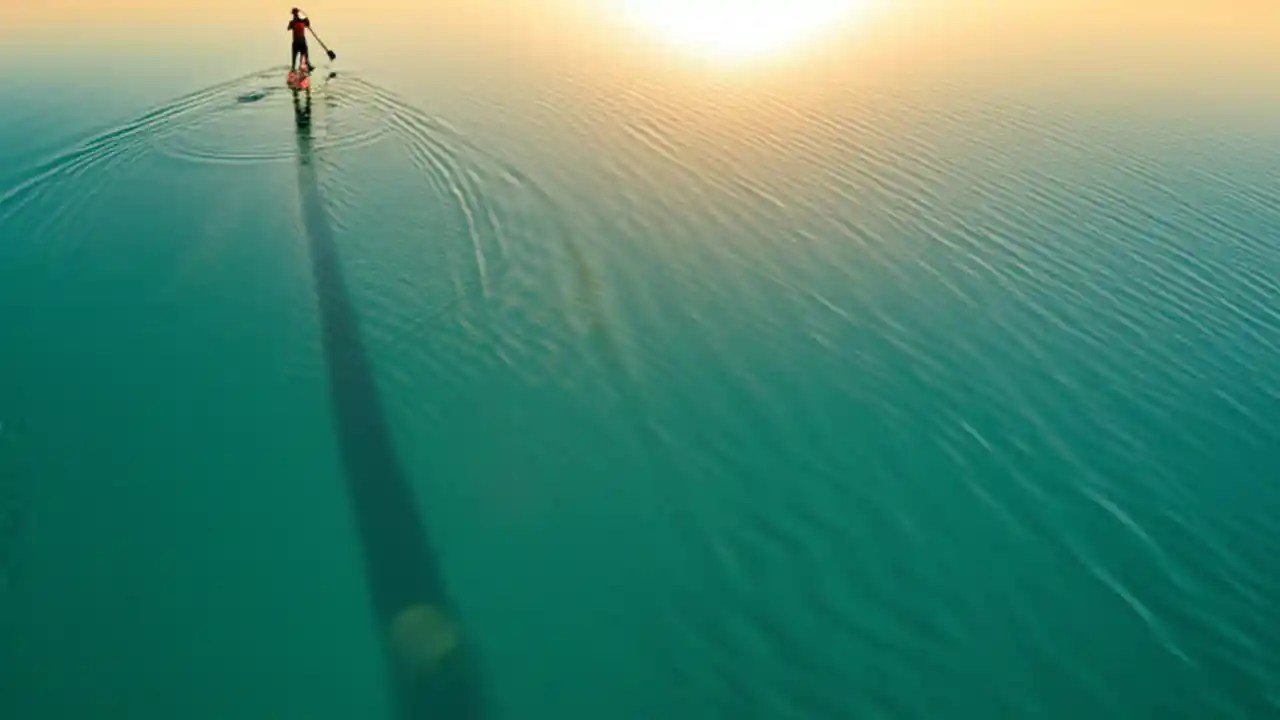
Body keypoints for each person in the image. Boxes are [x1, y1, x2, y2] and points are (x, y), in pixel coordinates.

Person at [287, 8, 312, 72]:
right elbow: (289, 28)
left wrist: (307, 20)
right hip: (299, 41)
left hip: (298, 41)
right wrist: (306, 19)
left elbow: (288, 28)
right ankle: (306, 65)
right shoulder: (300, 21)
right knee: (303, 54)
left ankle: (295, 67)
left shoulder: (295, 22)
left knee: (299, 55)